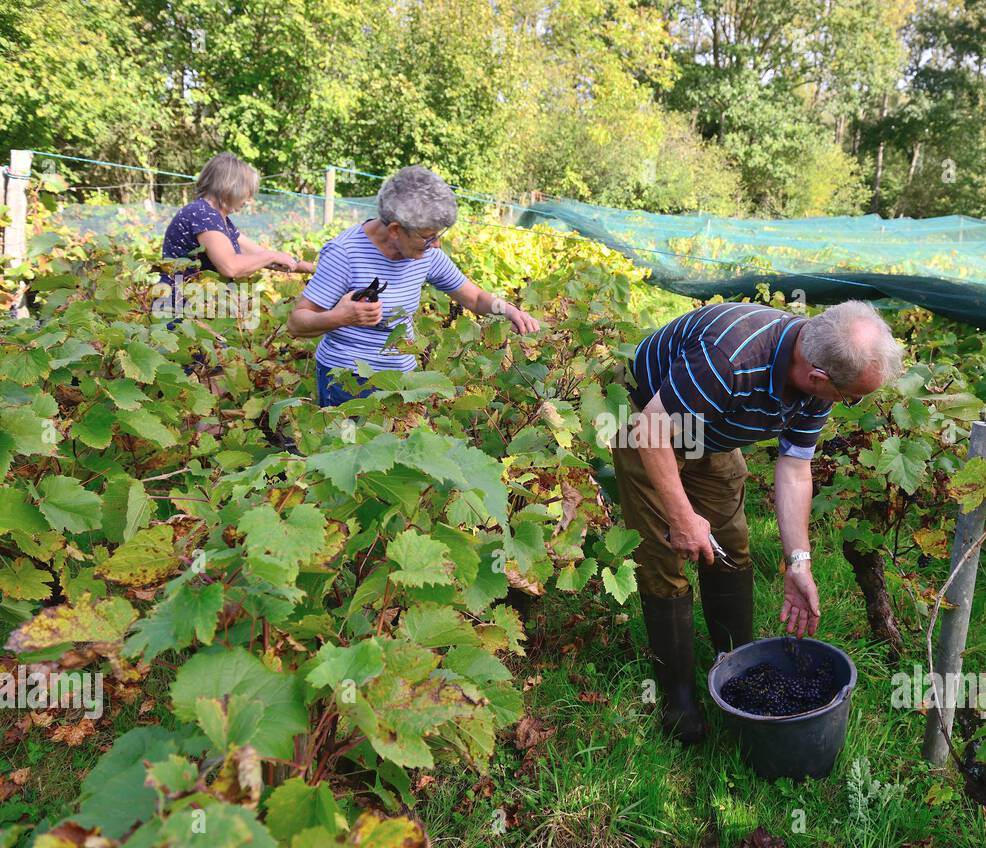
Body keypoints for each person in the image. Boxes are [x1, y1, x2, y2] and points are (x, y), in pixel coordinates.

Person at [612, 299, 903, 743]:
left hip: (709, 426)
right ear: (816, 377)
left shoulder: (818, 366)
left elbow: (794, 467)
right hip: (646, 418)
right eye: (851, 397)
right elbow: (652, 431)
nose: (851, 404)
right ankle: (678, 697)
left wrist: (798, 561)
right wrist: (683, 516)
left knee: (730, 542)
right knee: (665, 555)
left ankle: (736, 665)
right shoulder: (730, 358)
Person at [287, 165, 540, 406]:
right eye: (429, 237)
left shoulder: (424, 254)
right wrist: (340, 317)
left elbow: (473, 297)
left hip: (402, 382)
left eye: (439, 235)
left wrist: (508, 310)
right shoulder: (346, 255)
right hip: (348, 384)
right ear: (396, 230)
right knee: (354, 448)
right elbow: (297, 323)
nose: (437, 245)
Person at [159, 152, 314, 313]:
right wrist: (272, 256)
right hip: (179, 311)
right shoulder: (202, 214)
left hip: (197, 308)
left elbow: (260, 254)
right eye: (247, 193)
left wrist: (314, 268)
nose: (249, 200)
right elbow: (231, 266)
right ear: (230, 187)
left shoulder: (217, 218)